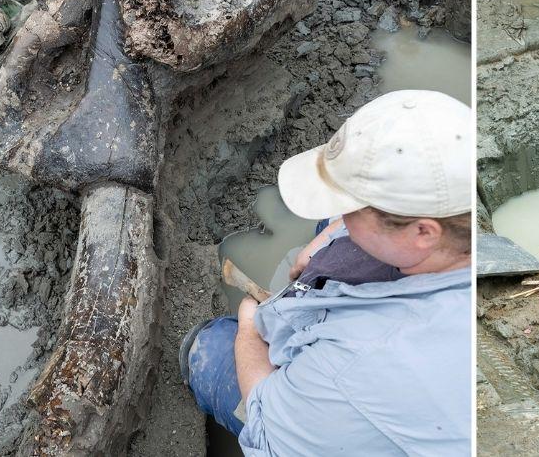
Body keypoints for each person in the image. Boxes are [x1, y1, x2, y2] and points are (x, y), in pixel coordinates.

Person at [180, 89, 472, 454]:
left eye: (353, 211)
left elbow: (271, 437)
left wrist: (249, 331)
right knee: (327, 219)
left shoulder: (354, 366)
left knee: (207, 347)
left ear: (423, 232)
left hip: (332, 412)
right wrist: (331, 235)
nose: (342, 220)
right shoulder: (461, 226)